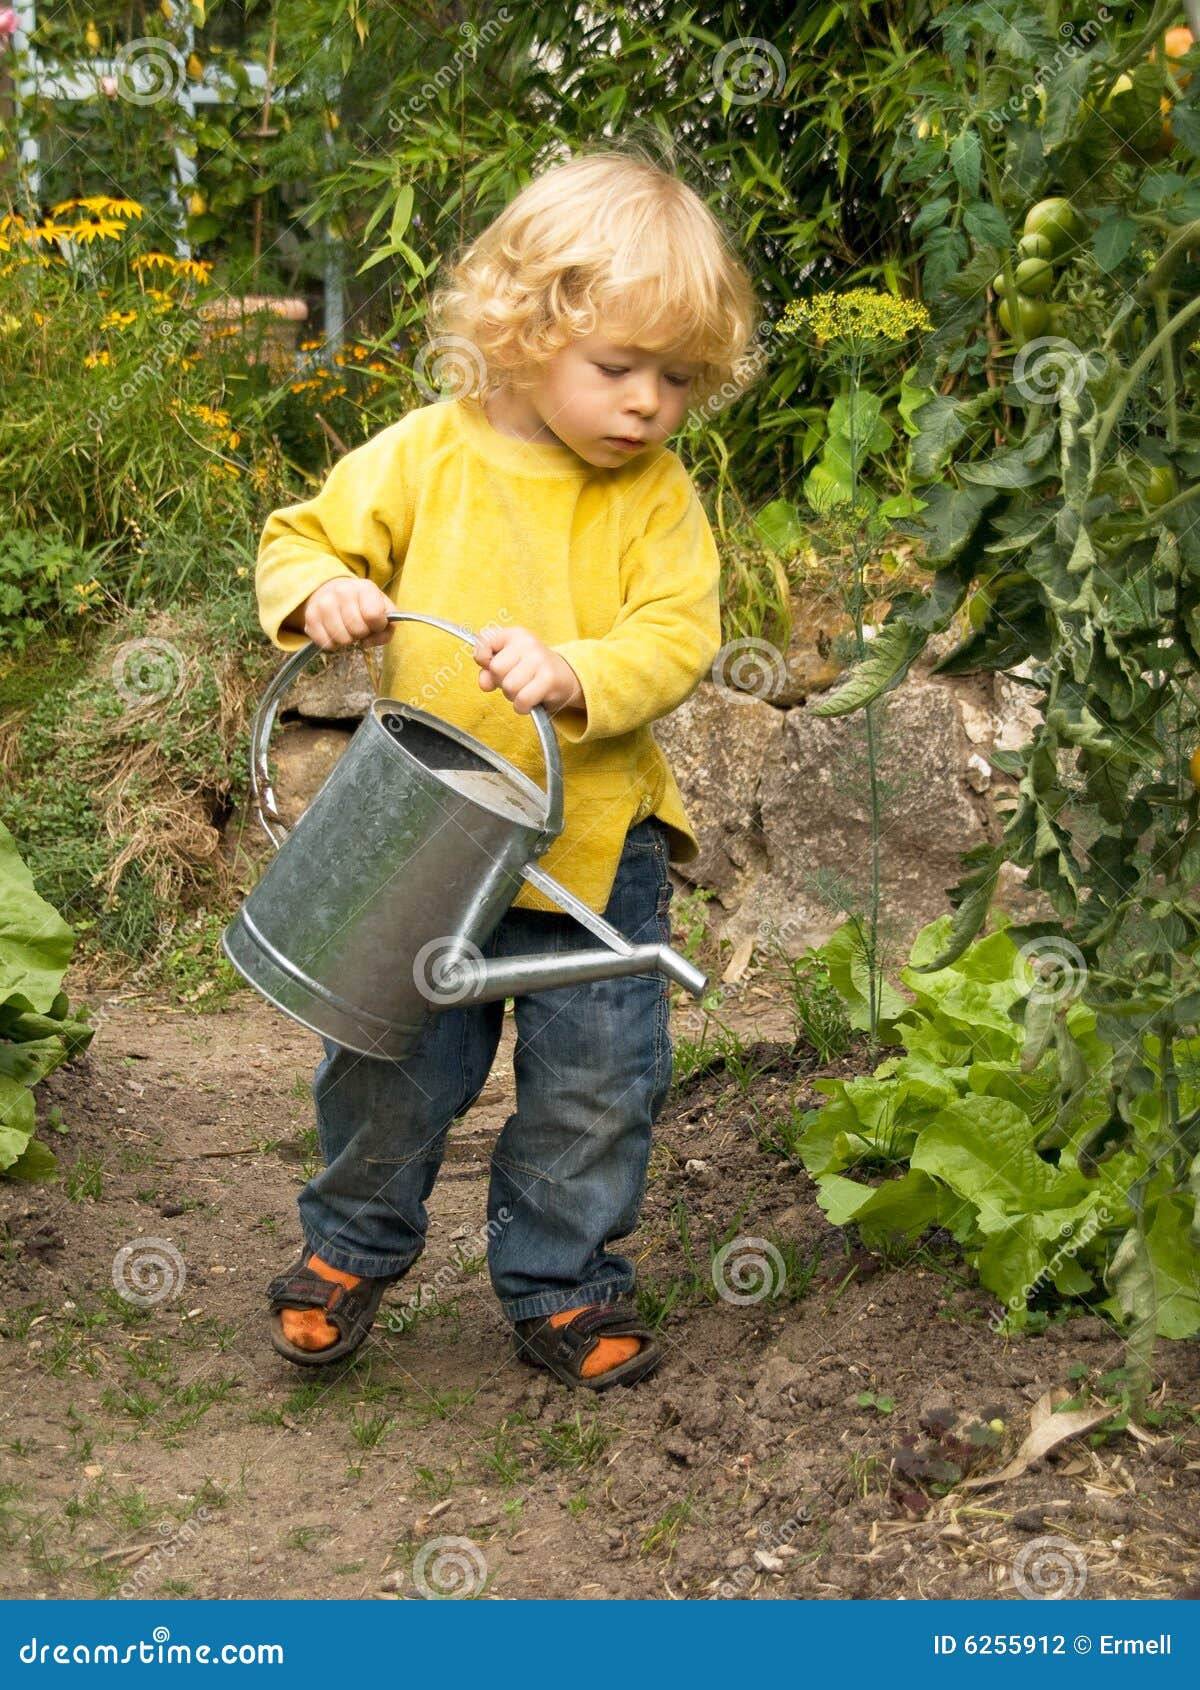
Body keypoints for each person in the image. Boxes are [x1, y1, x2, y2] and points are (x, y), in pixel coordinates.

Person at [254, 147, 758, 1390]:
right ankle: (349, 1246)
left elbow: (678, 632)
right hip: (426, 852)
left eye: (678, 379)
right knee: (389, 1066)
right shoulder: (428, 455)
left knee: (594, 1084)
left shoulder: (654, 495)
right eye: (619, 367)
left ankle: (564, 1284)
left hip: (592, 855)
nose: (649, 403)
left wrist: (581, 670)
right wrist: (325, 588)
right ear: (528, 333)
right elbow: (300, 535)